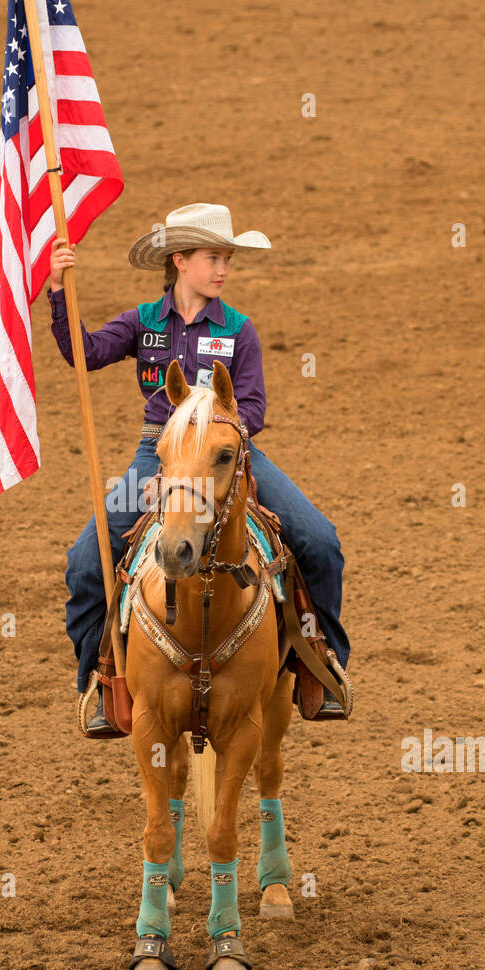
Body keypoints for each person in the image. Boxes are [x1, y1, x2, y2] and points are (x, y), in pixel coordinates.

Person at [47, 202, 350, 734]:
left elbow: (252, 406)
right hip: (158, 455)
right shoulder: (143, 322)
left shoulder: (238, 329)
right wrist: (57, 292)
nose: (224, 270)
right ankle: (99, 684)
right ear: (180, 260)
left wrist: (217, 433)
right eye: (214, 257)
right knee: (84, 562)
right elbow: (84, 352)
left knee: (319, 540)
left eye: (227, 259)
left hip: (226, 456)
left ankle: (320, 667)